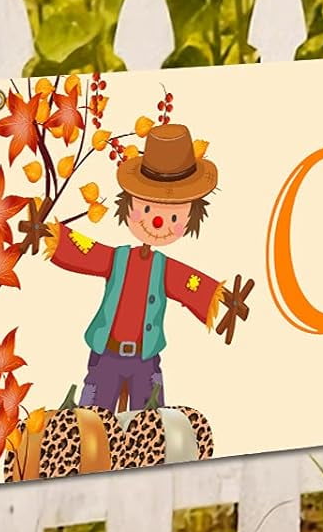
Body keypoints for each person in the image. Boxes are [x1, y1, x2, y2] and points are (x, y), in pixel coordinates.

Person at [42, 123, 231, 411]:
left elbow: (189, 282)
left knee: (149, 422)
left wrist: (222, 298)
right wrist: (49, 234)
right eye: (146, 209)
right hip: (107, 354)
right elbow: (85, 251)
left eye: (173, 216)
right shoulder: (116, 258)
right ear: (128, 206)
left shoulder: (163, 268)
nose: (157, 223)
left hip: (146, 358)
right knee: (94, 420)